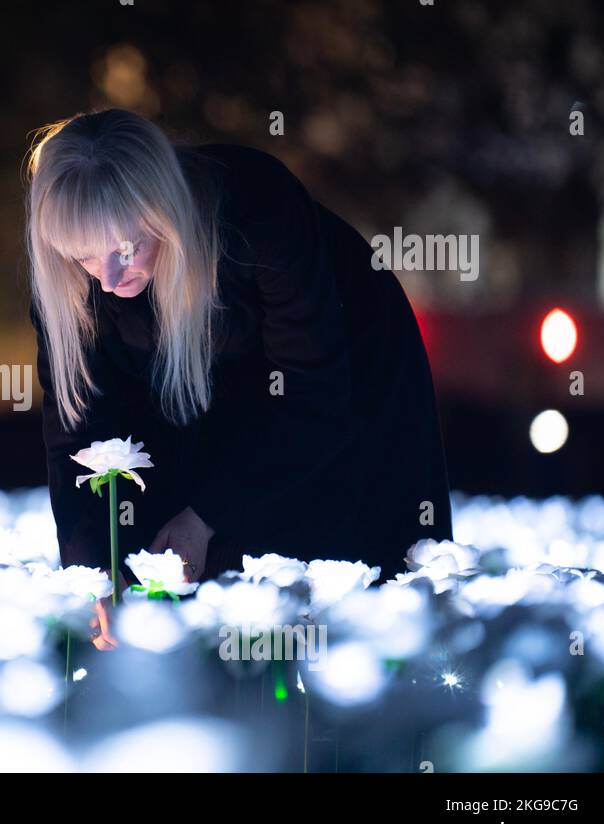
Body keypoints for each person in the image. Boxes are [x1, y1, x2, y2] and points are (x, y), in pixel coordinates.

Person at [25, 109, 453, 647]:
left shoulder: (259, 213)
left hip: (340, 386)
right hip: (198, 399)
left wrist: (206, 516)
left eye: (124, 250)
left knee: (314, 590)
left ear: (164, 213)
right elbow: (77, 431)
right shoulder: (70, 280)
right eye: (86, 256)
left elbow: (312, 396)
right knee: (159, 570)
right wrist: (94, 573)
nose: (108, 280)